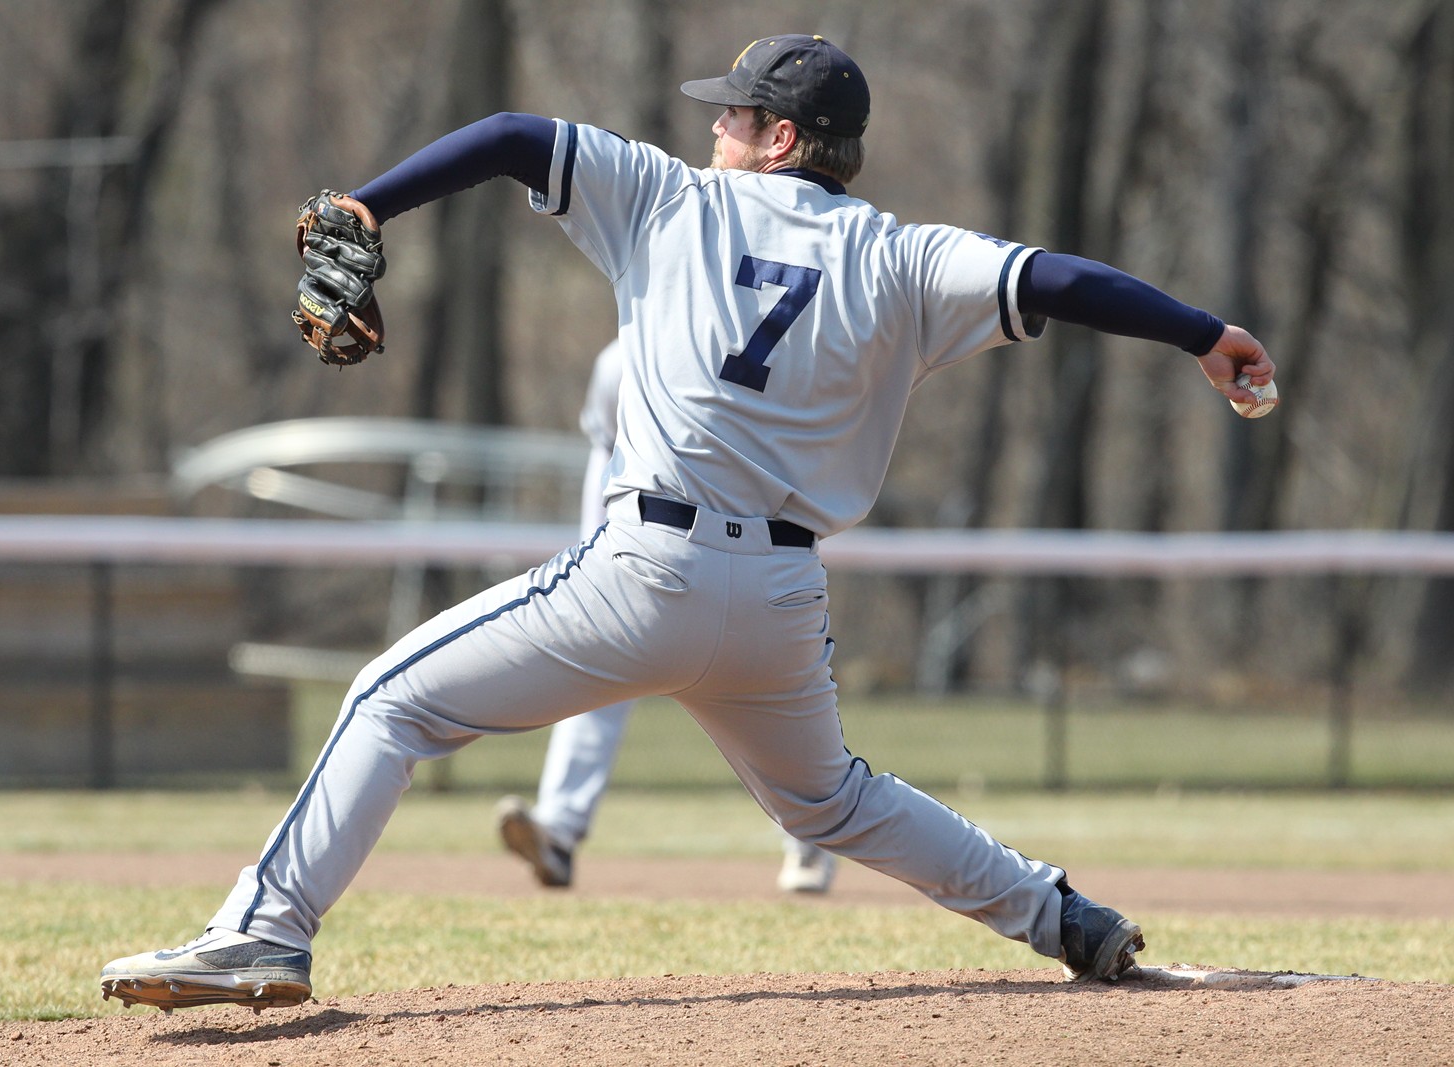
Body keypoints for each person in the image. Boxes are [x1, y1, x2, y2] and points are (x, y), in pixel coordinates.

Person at [100, 33, 1275, 1012]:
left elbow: (508, 134)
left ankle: (265, 931)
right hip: (778, 604)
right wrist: (1201, 335)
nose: (713, 126)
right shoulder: (905, 256)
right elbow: (1058, 279)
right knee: (832, 801)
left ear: (781, 138)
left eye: (735, 114)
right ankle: (1065, 917)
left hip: (645, 570)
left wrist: (369, 201)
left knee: (388, 699)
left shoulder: (668, 198)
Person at [494, 339, 837, 894]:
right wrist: (593, 572)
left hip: (750, 551)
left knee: (773, 693)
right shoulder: (621, 360)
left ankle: (812, 838)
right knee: (597, 672)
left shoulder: (754, 343)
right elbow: (603, 462)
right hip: (651, 556)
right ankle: (558, 830)